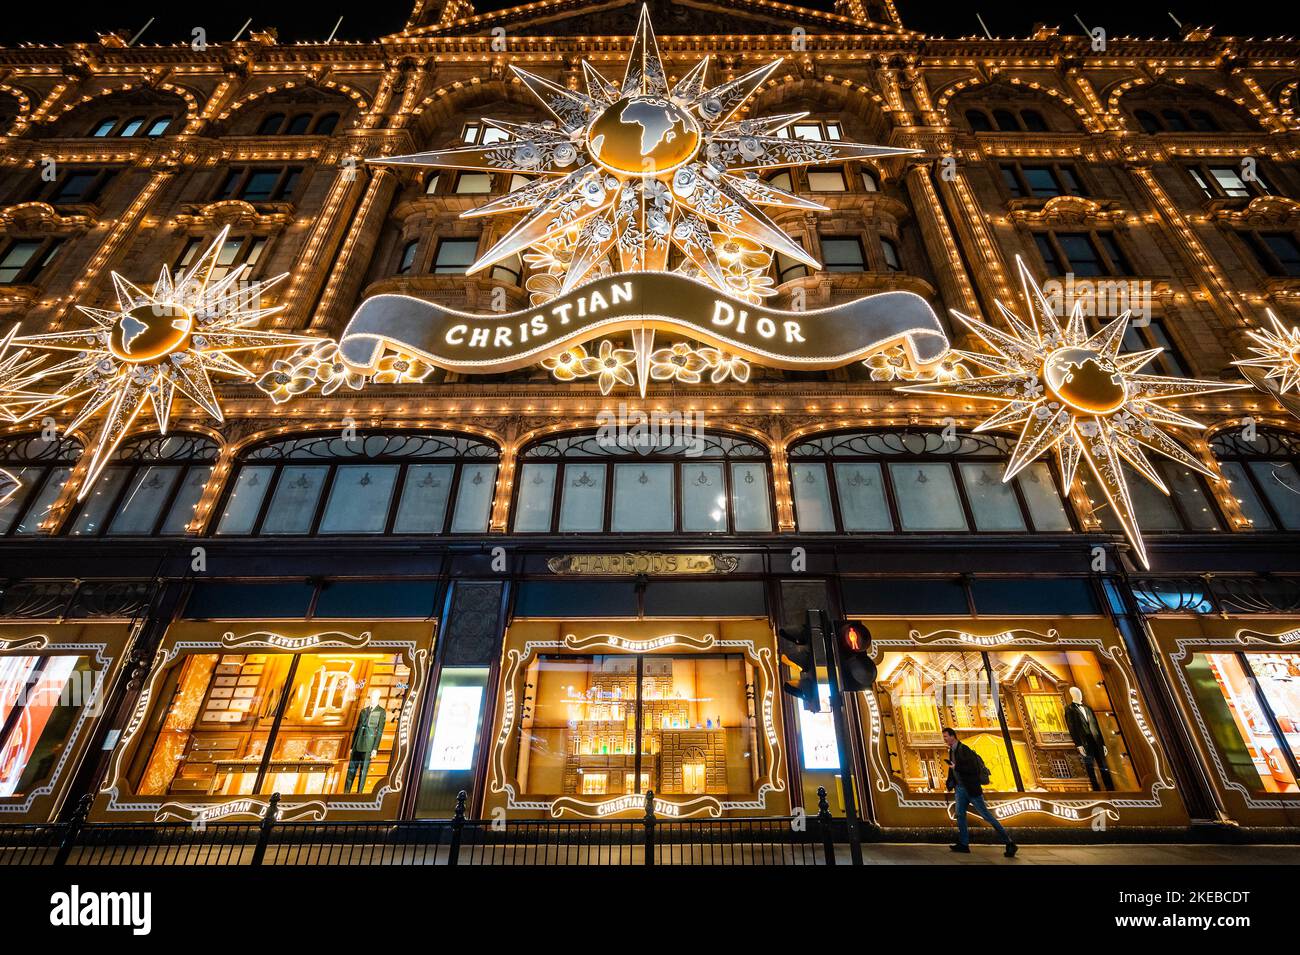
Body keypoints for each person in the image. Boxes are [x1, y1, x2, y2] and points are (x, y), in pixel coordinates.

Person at [942, 727, 1017, 857]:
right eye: (944, 737)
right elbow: (953, 769)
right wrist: (950, 781)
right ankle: (964, 844)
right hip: (960, 788)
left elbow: (972, 768)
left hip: (971, 789)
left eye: (946, 736)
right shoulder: (952, 751)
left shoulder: (964, 749)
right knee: (960, 814)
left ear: (953, 736)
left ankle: (1009, 842)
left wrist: (956, 767)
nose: (945, 739)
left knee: (986, 815)